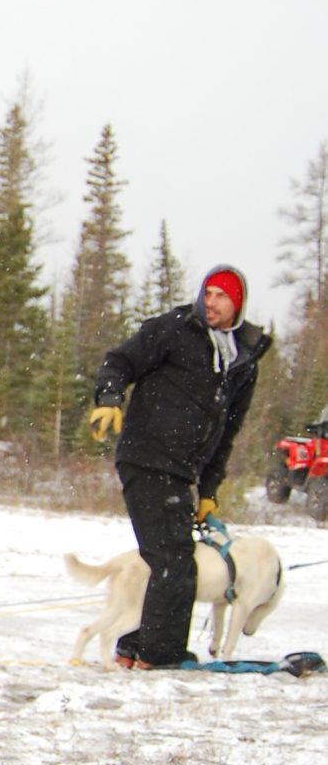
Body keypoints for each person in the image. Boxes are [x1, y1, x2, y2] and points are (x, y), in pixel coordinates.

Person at [88, 265, 272, 670]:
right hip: (146, 455)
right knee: (174, 559)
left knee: (169, 558)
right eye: (207, 293)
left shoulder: (241, 360)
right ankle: (160, 654)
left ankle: (136, 648)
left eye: (221, 296)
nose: (210, 302)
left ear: (237, 302)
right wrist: (110, 397)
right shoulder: (175, 329)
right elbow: (120, 360)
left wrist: (209, 491)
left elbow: (227, 433)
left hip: (183, 471)